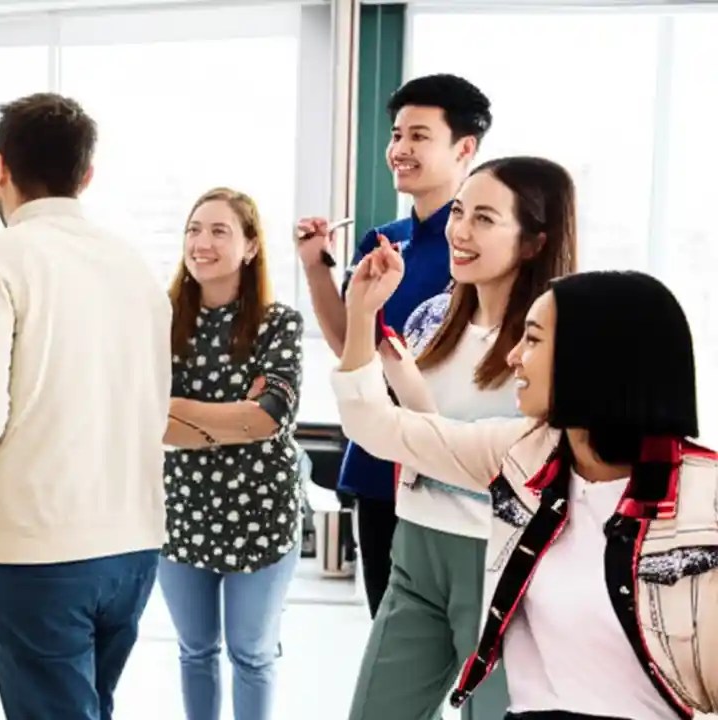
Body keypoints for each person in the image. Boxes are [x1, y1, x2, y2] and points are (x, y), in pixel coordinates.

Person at [334, 244, 718, 719]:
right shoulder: (523, 454)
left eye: (532, 340)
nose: (514, 356)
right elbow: (377, 426)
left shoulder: (706, 504)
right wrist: (361, 312)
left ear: (592, 357)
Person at [0, 93, 172, 720]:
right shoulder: (136, 267)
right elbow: (152, 405)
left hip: (41, 548)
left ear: (0, 167)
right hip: (133, 544)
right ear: (86, 174)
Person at [346, 156, 578, 720]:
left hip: (501, 557)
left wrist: (411, 433)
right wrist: (362, 312)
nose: (460, 230)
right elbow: (390, 426)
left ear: (532, 242)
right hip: (417, 544)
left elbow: (513, 455)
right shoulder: (431, 319)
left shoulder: (553, 341)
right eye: (458, 212)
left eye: (484, 218)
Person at [296, 74, 492, 616]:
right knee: (389, 630)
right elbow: (351, 348)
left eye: (419, 136)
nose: (400, 149)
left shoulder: (485, 248)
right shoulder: (383, 240)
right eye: (397, 134)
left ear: (465, 148)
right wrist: (316, 267)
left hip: (459, 470)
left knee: (468, 646)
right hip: (382, 461)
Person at [159, 188, 305, 720]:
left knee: (251, 651)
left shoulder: (279, 322)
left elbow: (270, 417)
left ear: (249, 247)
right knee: (195, 650)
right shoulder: (162, 319)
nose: (202, 242)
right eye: (194, 229)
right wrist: (232, 421)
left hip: (262, 515)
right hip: (182, 511)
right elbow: (146, 422)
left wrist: (175, 407)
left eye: (219, 231)